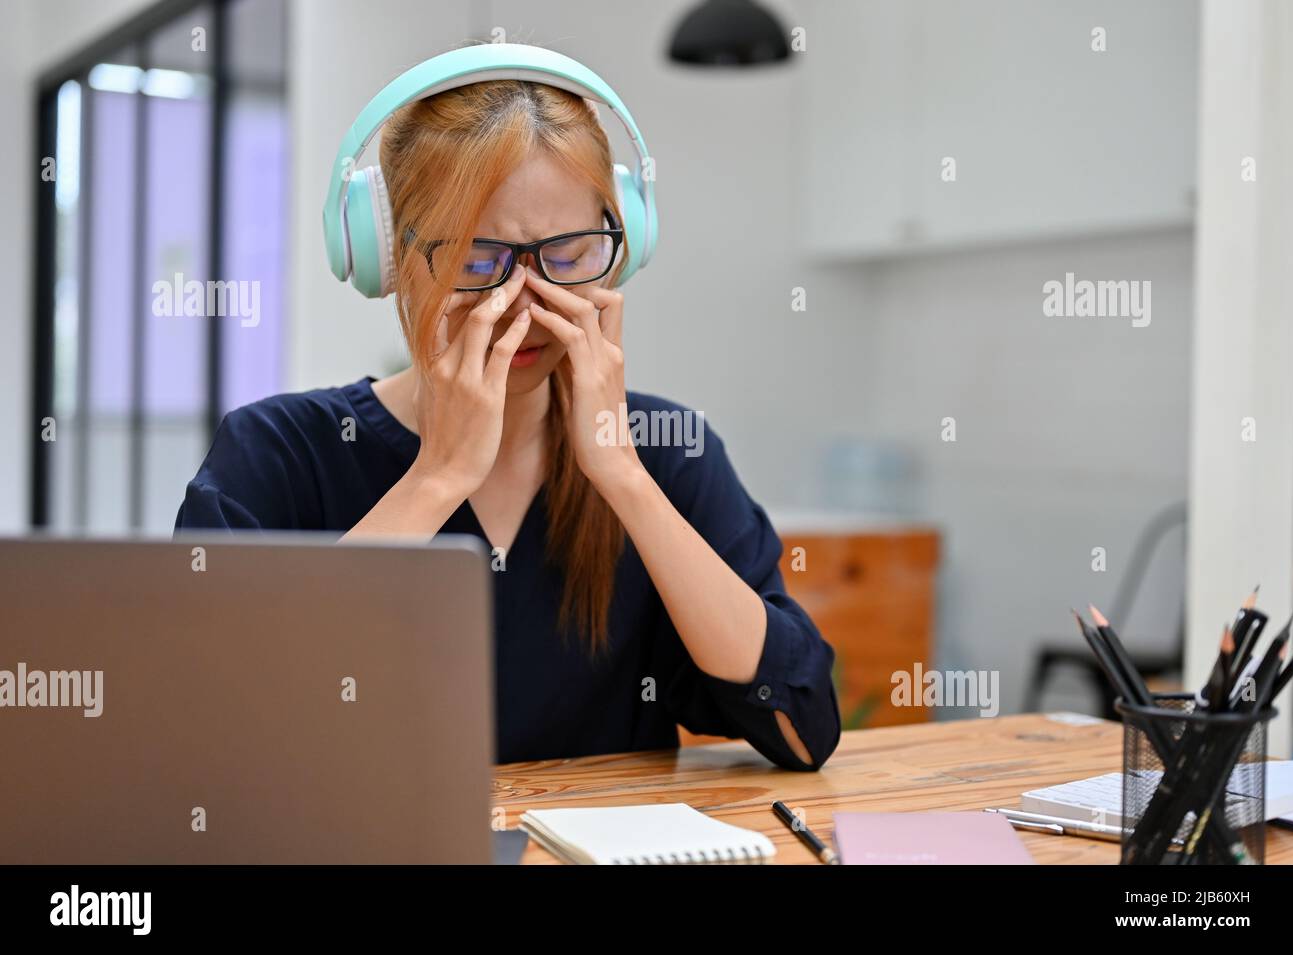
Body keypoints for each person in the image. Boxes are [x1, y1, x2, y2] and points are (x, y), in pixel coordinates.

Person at [176, 45, 840, 771]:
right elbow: (213, 732)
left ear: (625, 245)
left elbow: (803, 727)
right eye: (474, 259)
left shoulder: (666, 451)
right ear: (385, 259)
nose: (522, 301)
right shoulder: (279, 452)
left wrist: (623, 476)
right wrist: (438, 479)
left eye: (570, 253)